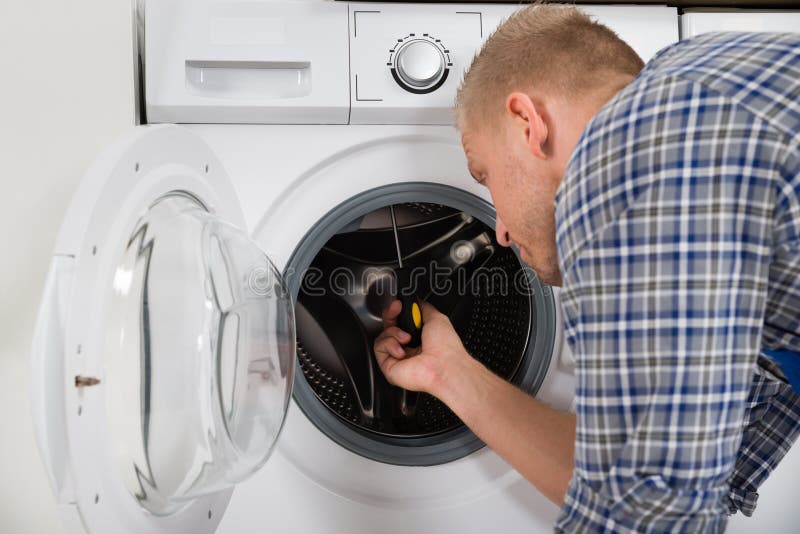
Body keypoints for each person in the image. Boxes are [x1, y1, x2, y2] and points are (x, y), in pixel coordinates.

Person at [373, 4, 800, 532]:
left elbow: (649, 520)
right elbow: (671, 475)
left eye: (485, 177)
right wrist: (450, 374)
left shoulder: (623, 167)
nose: (500, 230)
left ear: (529, 123)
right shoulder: (699, 88)